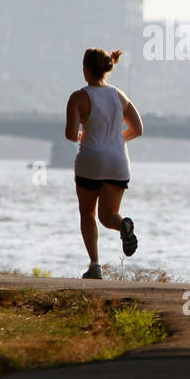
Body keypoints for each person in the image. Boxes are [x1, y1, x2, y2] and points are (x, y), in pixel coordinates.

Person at [65, 47, 143, 279]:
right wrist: (117, 140)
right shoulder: (119, 96)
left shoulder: (78, 97)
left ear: (86, 69)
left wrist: (83, 136)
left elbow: (70, 134)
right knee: (108, 216)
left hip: (91, 160)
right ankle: (124, 226)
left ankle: (95, 265)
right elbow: (138, 129)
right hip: (118, 162)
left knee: (88, 213)